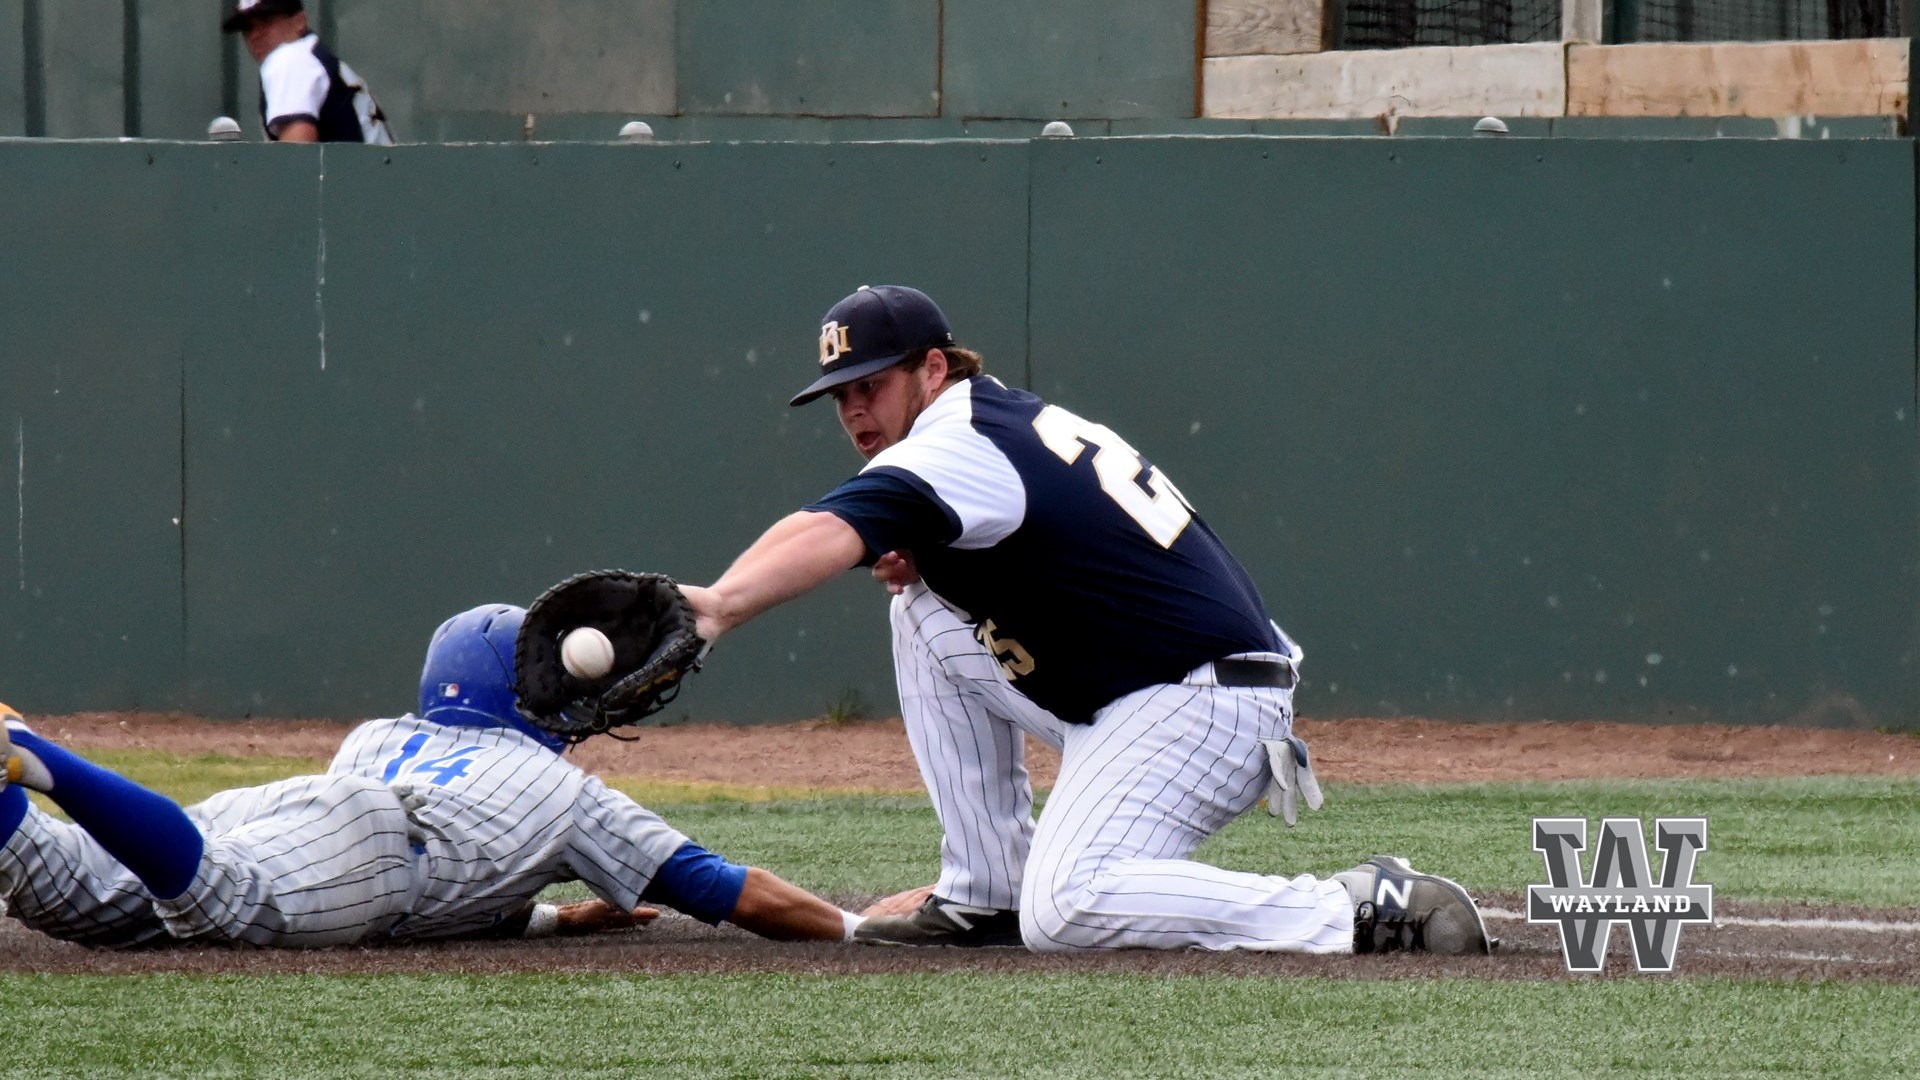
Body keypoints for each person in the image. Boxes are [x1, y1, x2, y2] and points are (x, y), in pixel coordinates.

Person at [677, 284, 1493, 954]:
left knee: (1066, 905)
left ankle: (1350, 907)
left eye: (873, 385)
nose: (856, 409)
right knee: (920, 611)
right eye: (841, 395)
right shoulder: (999, 422)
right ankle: (985, 890)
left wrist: (717, 605)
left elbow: (827, 527)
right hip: (1146, 691)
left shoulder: (956, 442)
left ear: (933, 368)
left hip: (1204, 702)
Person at [0, 604, 861, 949]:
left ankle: (11, 794)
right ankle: (31, 752)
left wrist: (551, 918)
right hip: (375, 841)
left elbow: (462, 877)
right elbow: (725, 890)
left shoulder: (378, 735)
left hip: (291, 809)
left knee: (78, 893)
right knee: (227, 906)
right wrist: (857, 927)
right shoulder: (568, 792)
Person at [222, 0, 393, 145]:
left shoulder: (290, 58)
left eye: (266, 21)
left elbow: (298, 157)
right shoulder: (315, 58)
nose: (255, 35)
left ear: (299, 21)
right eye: (247, 28)